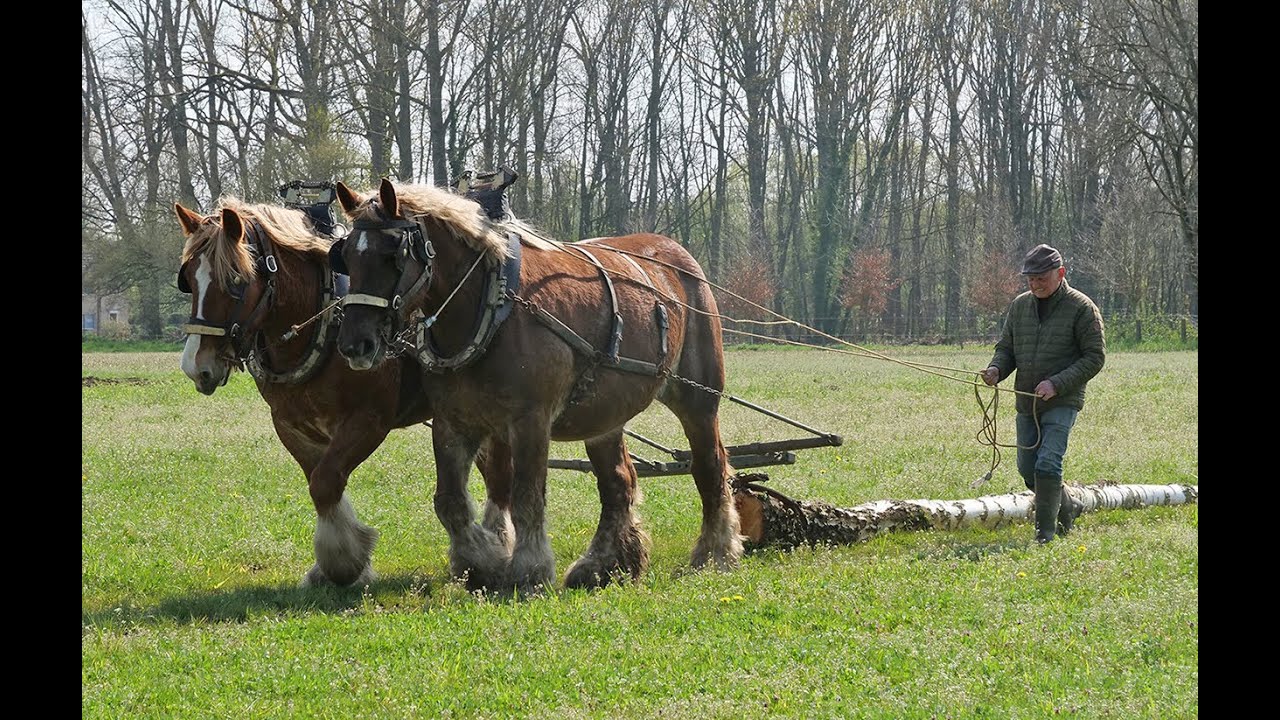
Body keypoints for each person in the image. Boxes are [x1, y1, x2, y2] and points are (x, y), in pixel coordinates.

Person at [980, 243, 1106, 543]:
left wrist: (1057, 383)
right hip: (1026, 400)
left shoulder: (1082, 308)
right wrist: (996, 369)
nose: (1035, 284)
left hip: (1063, 400)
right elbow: (1006, 349)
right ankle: (1068, 505)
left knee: (1048, 463)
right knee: (1027, 469)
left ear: (1060, 274)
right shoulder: (1019, 306)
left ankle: (1045, 536)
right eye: (1031, 279)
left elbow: (1095, 357)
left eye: (1042, 278)